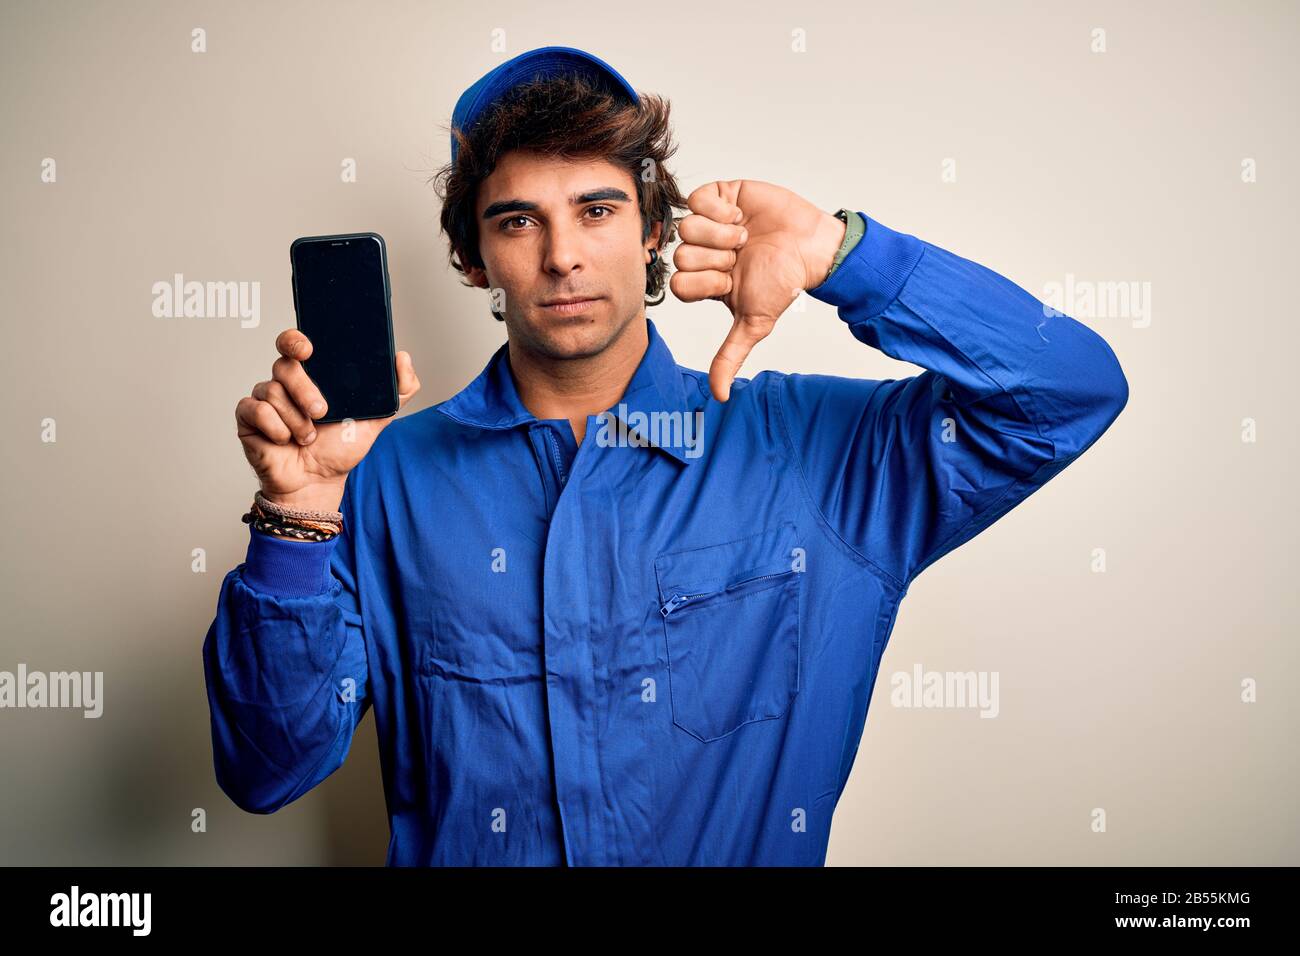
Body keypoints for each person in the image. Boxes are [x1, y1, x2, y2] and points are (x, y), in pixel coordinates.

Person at [203, 46, 1129, 866]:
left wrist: (842, 255)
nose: (563, 256)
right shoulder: (385, 479)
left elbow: (1069, 392)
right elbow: (267, 768)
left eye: (597, 209)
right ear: (475, 258)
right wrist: (298, 513)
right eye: (518, 221)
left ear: (653, 230)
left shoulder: (812, 453)